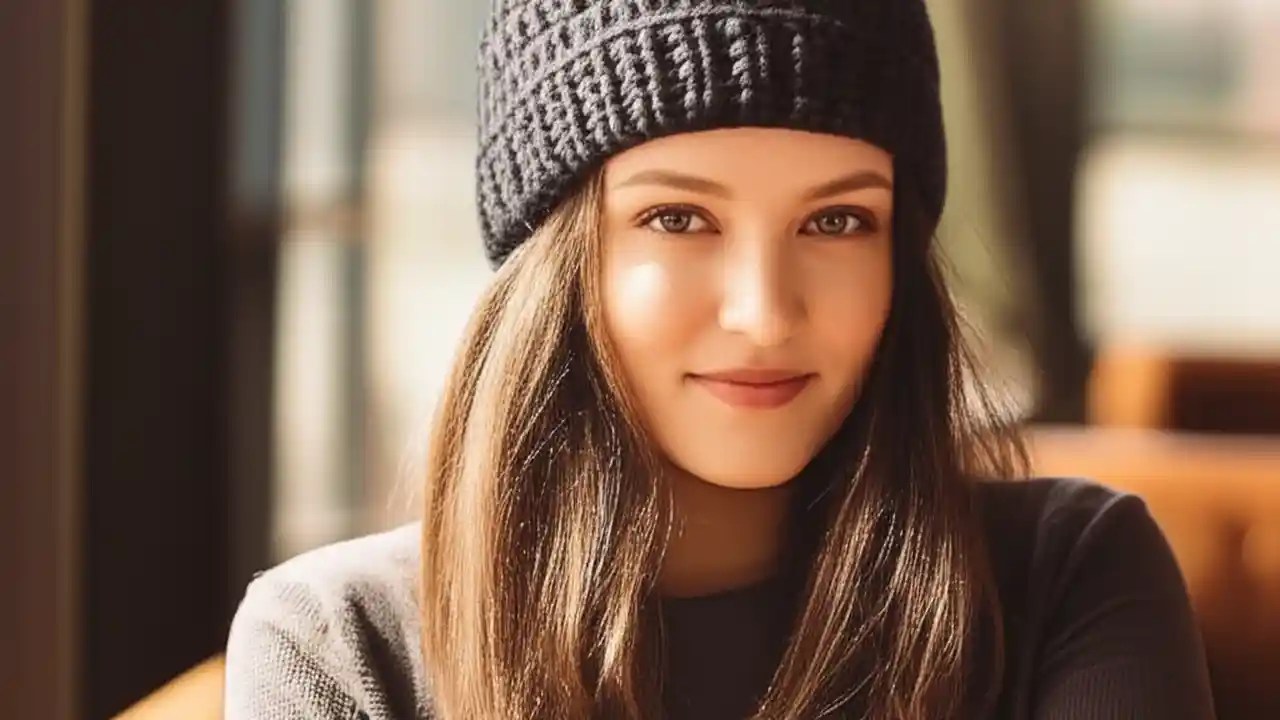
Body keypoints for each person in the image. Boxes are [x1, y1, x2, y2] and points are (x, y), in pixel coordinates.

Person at [223, 1, 1216, 718]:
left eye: (836, 219)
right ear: (555, 261)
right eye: (676, 217)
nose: (762, 312)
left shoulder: (1065, 577)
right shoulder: (338, 644)